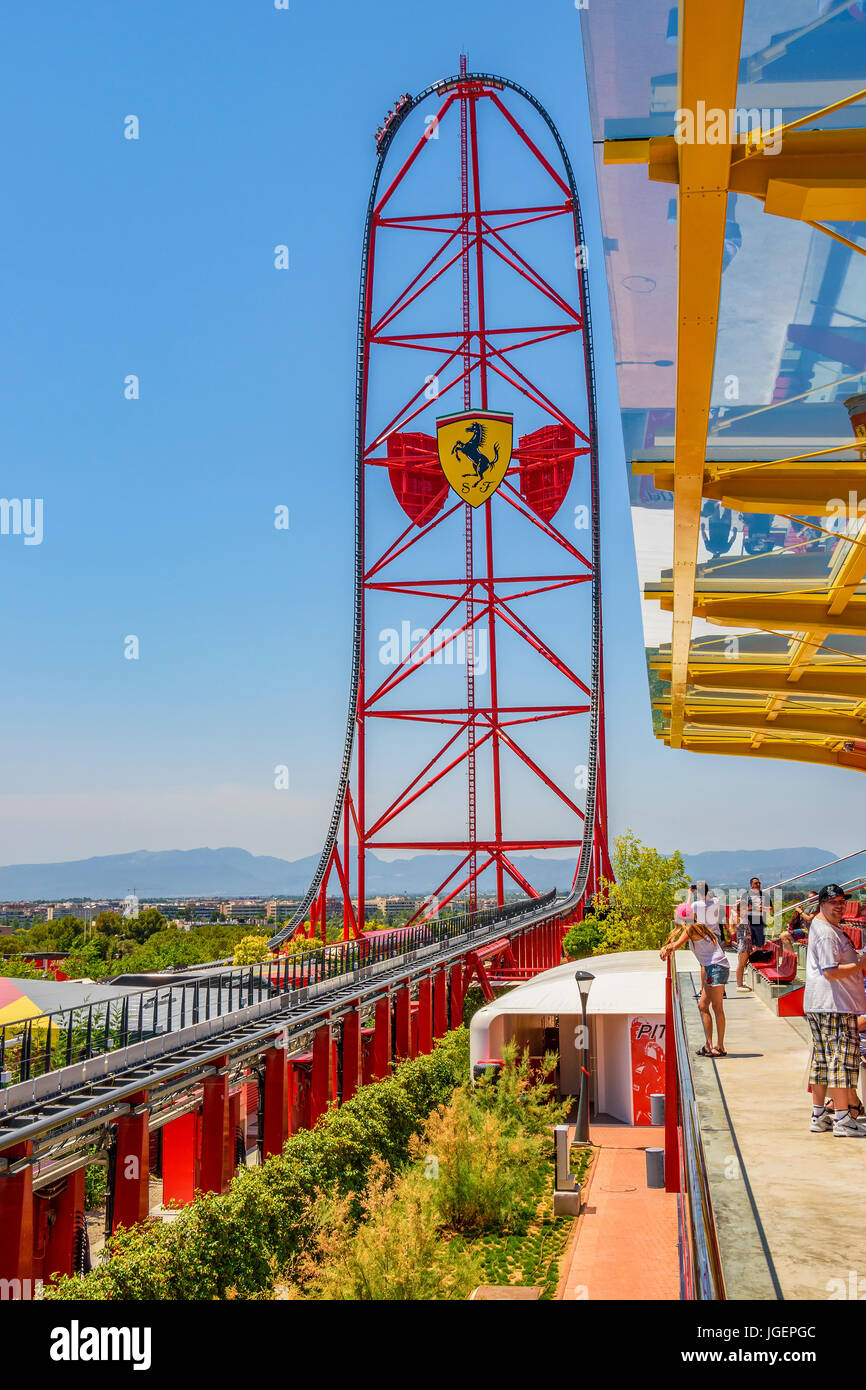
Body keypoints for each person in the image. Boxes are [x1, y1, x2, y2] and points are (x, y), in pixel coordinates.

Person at [803, 883, 866, 1137]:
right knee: (839, 1062)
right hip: (834, 1005)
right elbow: (830, 972)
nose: (839, 906)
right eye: (834, 902)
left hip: (822, 1005)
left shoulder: (822, 926)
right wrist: (860, 963)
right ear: (822, 904)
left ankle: (819, 1116)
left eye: (842, 902)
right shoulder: (827, 932)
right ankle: (842, 1119)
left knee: (821, 1061)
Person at [661, 912, 729, 1057]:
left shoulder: (691, 928)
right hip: (712, 967)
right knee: (703, 1006)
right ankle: (709, 1044)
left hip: (716, 967)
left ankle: (720, 1046)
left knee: (717, 1007)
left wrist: (665, 949)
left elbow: (676, 945)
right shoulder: (697, 928)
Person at [739, 876, 770, 950]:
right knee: (748, 944)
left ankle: (758, 959)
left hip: (760, 923)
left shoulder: (765, 895)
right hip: (748, 923)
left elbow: (771, 910)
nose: (758, 885)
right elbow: (741, 909)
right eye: (756, 883)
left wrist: (762, 908)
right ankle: (750, 959)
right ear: (751, 885)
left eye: (759, 883)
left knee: (760, 944)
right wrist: (754, 907)